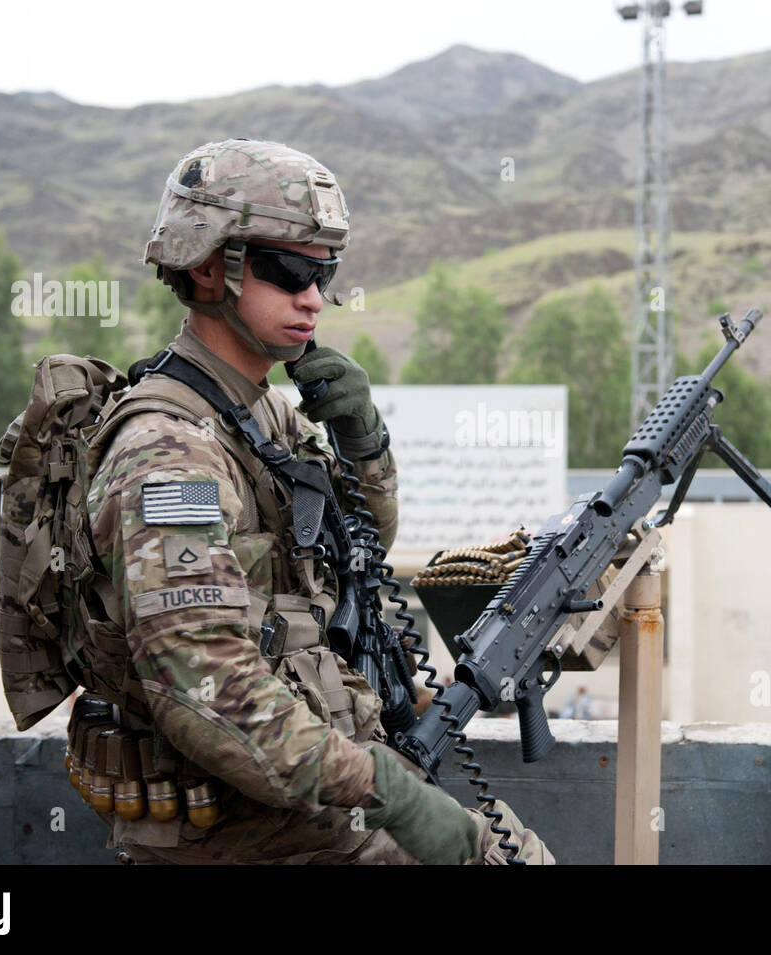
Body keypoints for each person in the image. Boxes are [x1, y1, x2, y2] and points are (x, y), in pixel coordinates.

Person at [80, 138, 551, 864]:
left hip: (305, 803)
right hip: (245, 835)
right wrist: (386, 787)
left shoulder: (259, 415)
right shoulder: (168, 450)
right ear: (209, 267)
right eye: (289, 269)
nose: (313, 296)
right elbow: (206, 685)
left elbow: (360, 543)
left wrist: (363, 441)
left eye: (325, 272)